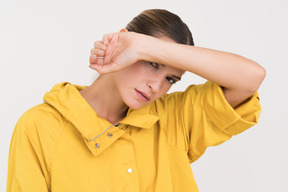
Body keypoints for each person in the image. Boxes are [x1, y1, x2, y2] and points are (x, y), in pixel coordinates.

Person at [7, 9, 265, 192]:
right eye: (153, 64)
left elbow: (252, 77)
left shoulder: (174, 117)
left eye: (171, 79)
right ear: (123, 43)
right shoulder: (39, 126)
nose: (156, 86)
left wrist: (149, 48)